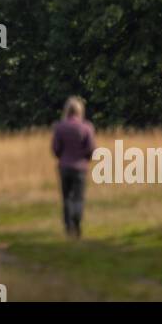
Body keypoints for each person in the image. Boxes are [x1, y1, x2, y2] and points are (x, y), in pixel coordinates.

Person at [50, 96, 96, 239]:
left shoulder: (60, 127)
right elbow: (91, 148)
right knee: (78, 198)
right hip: (80, 167)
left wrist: (62, 157)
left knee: (66, 198)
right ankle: (77, 223)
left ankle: (68, 225)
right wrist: (84, 158)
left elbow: (55, 148)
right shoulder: (86, 127)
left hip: (64, 166)